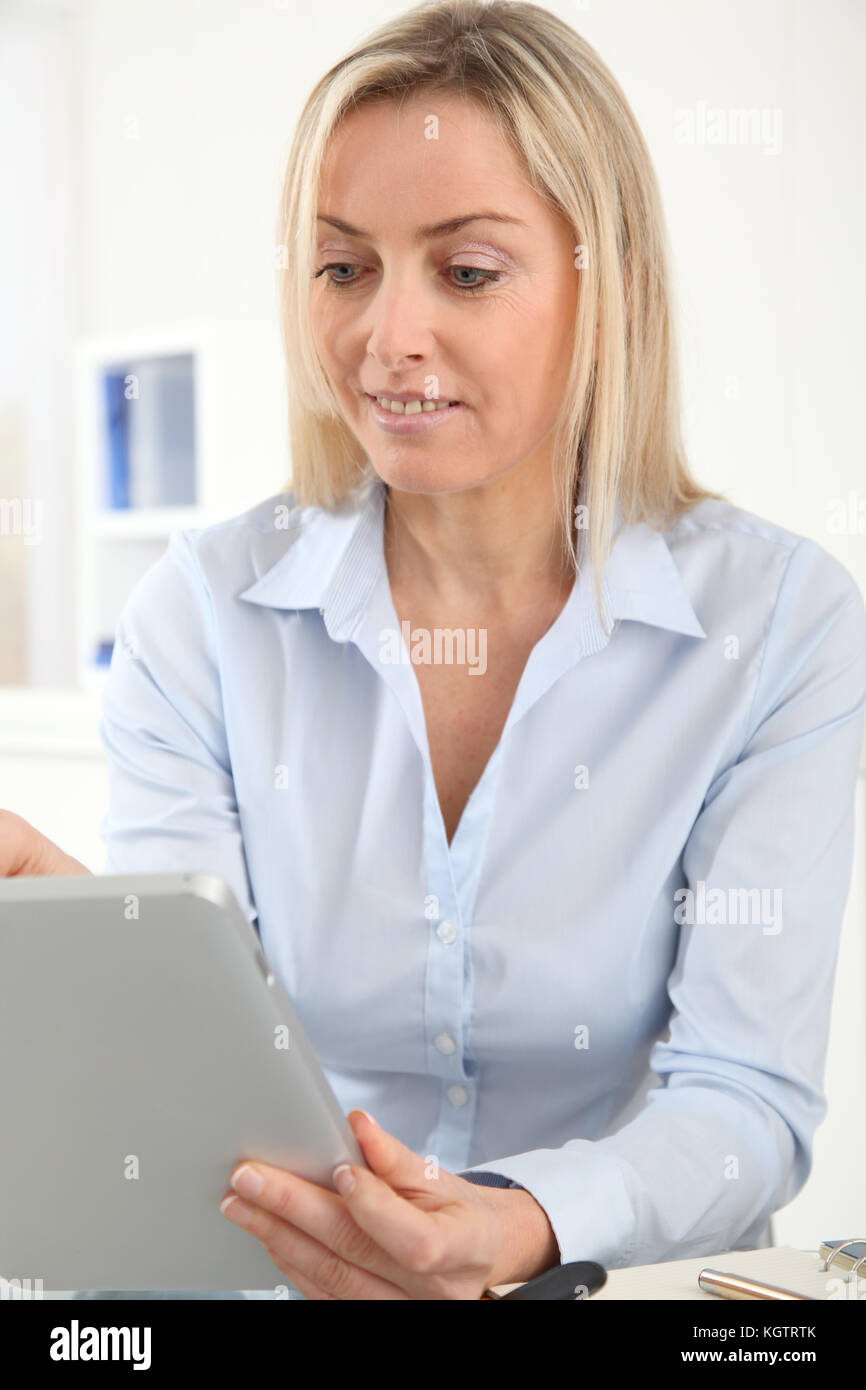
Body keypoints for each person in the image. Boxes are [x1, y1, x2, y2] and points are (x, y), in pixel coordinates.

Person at [5, 0, 865, 1301]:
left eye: (464, 271)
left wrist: (516, 1221)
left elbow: (742, 1104)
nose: (384, 339)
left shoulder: (779, 623)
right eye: (343, 266)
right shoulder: (201, 613)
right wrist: (105, 956)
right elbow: (200, 1057)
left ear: (604, 282)